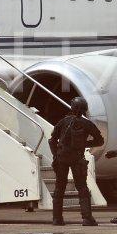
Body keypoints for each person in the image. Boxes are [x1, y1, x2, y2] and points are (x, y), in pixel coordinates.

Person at [49, 96, 104, 226]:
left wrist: (55, 155)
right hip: (77, 158)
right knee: (82, 188)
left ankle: (57, 219)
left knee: (59, 189)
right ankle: (86, 218)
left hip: (62, 158)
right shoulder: (87, 124)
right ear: (85, 109)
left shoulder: (63, 122)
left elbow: (52, 140)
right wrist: (84, 144)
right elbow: (100, 141)